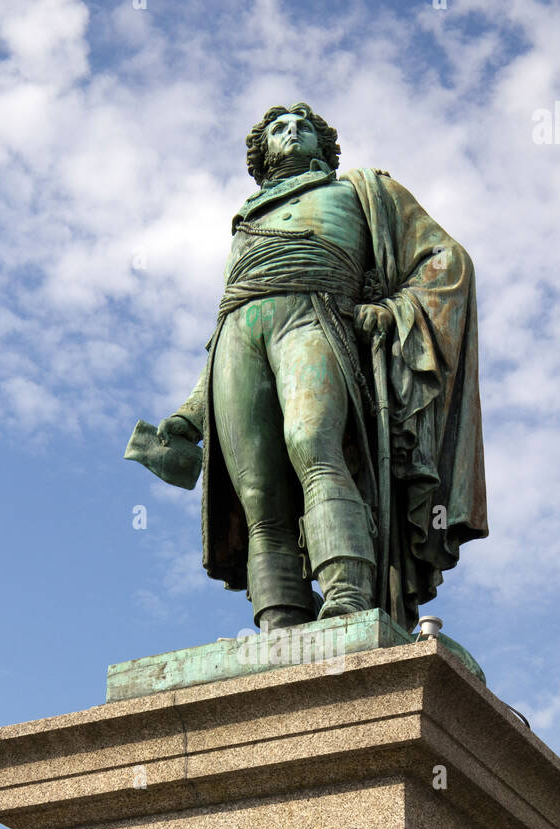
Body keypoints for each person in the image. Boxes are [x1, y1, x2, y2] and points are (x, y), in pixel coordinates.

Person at [148, 102, 487, 633]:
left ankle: (348, 599)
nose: (292, 132)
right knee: (258, 492)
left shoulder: (361, 190)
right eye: (280, 129)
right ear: (262, 153)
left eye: (303, 126)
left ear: (324, 144)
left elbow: (446, 259)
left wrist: (397, 309)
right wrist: (193, 412)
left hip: (317, 317)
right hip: (239, 336)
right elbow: (226, 318)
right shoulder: (245, 221)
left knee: (312, 444)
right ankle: (279, 621)